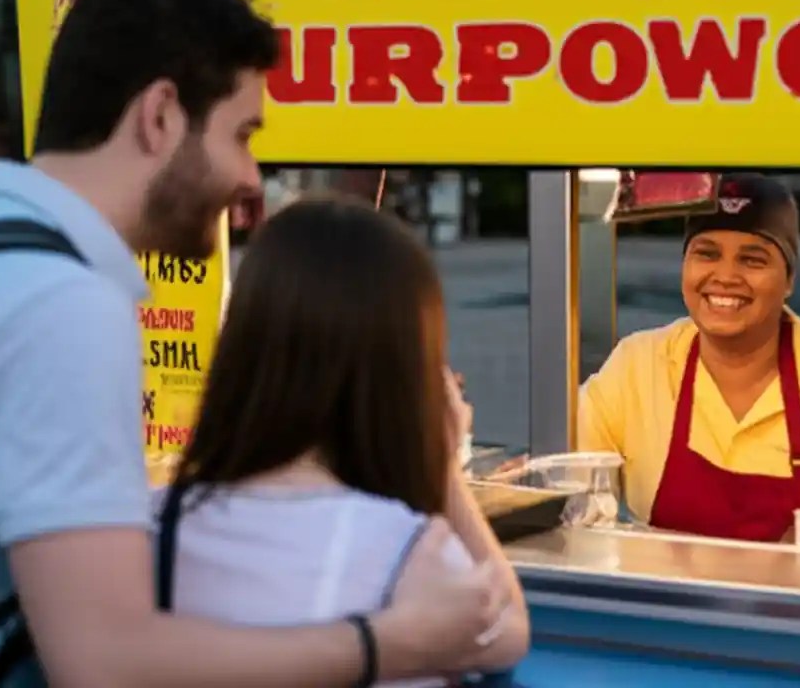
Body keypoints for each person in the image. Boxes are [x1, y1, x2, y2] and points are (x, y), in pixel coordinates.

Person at [0, 0, 503, 684]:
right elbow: (108, 664)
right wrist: (389, 644)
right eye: (242, 134)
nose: (250, 176)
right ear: (161, 116)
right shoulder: (59, 306)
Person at [156, 201, 530, 685]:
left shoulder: (152, 528)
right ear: (402, 376)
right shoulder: (408, 550)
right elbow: (507, 633)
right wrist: (443, 468)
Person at [578, 173, 800, 544]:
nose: (725, 276)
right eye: (706, 253)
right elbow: (570, 484)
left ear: (788, 280)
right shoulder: (637, 367)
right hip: (669, 602)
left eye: (753, 260)